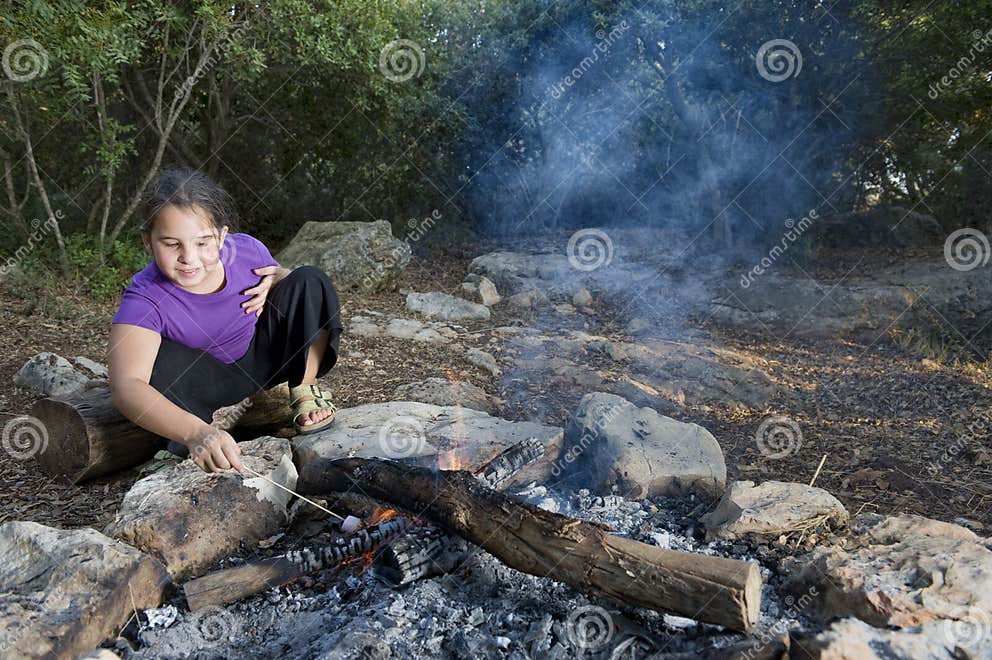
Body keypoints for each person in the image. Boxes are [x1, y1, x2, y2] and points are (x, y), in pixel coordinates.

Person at [108, 168, 343, 474]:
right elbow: (126, 385)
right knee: (155, 360)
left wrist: (279, 276)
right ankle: (195, 433)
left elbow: (297, 292)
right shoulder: (144, 297)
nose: (189, 257)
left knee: (310, 278)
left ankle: (305, 388)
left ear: (221, 237)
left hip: (265, 361)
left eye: (203, 243)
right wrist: (196, 433)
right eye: (172, 244)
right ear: (148, 242)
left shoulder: (246, 251)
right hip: (204, 387)